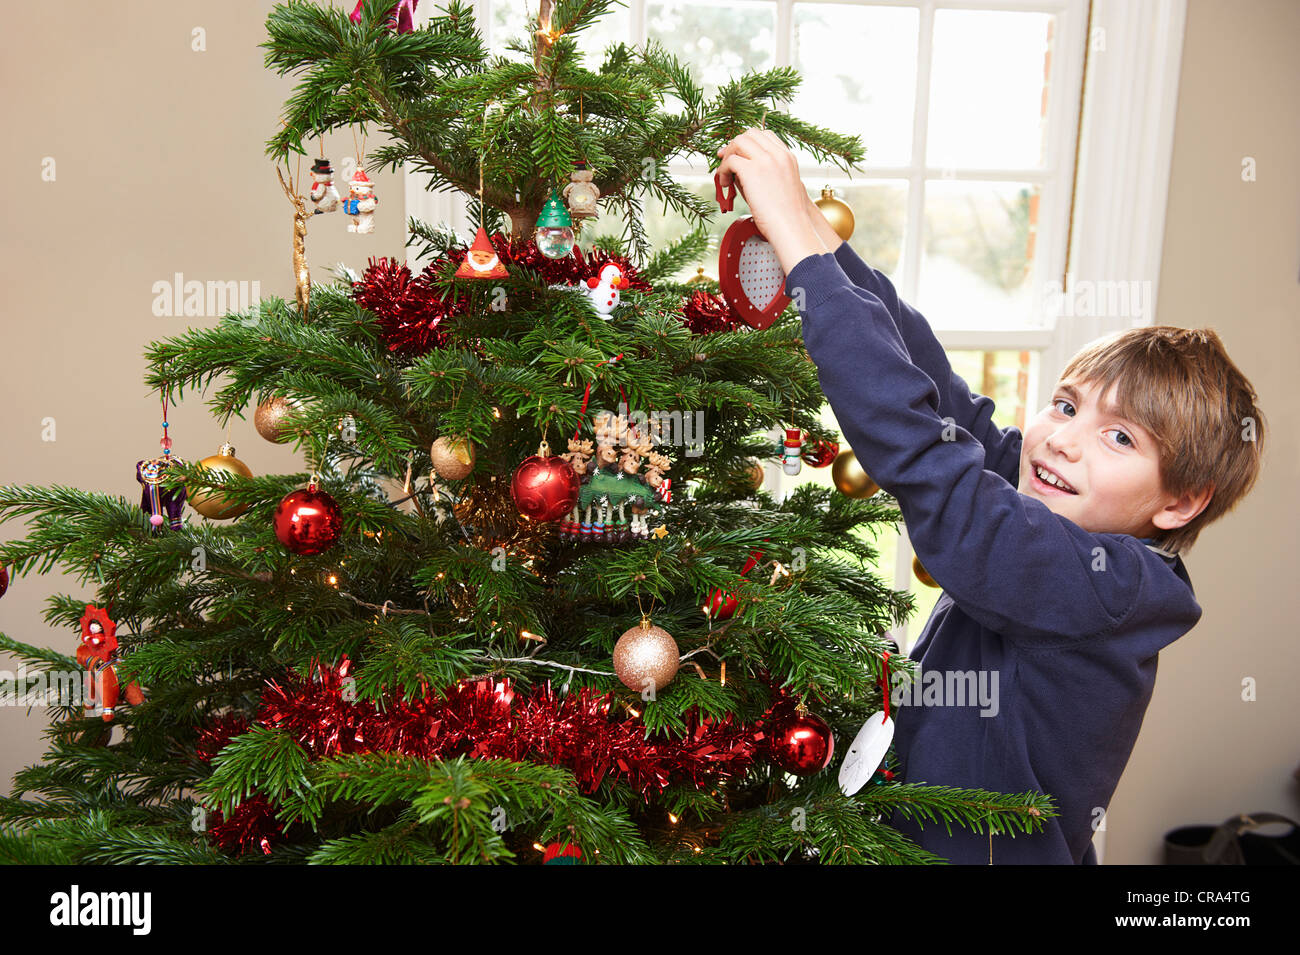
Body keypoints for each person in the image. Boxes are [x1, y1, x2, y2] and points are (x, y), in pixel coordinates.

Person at [714, 129, 1266, 863]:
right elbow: (945, 405)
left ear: (1178, 503)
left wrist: (802, 256)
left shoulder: (1106, 586)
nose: (1066, 439)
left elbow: (928, 465)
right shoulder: (1049, 501)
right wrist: (819, 236)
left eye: (1121, 438)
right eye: (1067, 406)